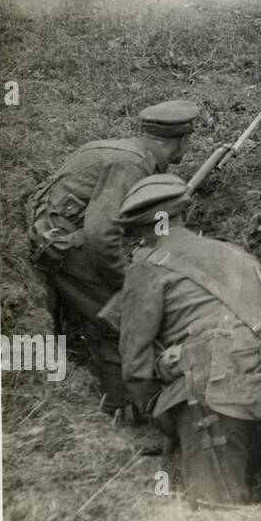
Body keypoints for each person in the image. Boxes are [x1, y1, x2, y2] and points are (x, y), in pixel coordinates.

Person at [116, 174, 261, 507]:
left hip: (208, 399)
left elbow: (135, 363)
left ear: (141, 229)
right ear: (182, 214)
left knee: (217, 515)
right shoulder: (239, 256)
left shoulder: (146, 269)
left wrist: (158, 415)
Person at [26, 100, 200, 418]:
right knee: (122, 320)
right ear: (182, 140)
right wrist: (128, 283)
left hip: (54, 238)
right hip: (64, 248)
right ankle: (126, 408)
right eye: (188, 141)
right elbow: (100, 237)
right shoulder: (132, 166)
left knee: (111, 313)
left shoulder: (124, 151)